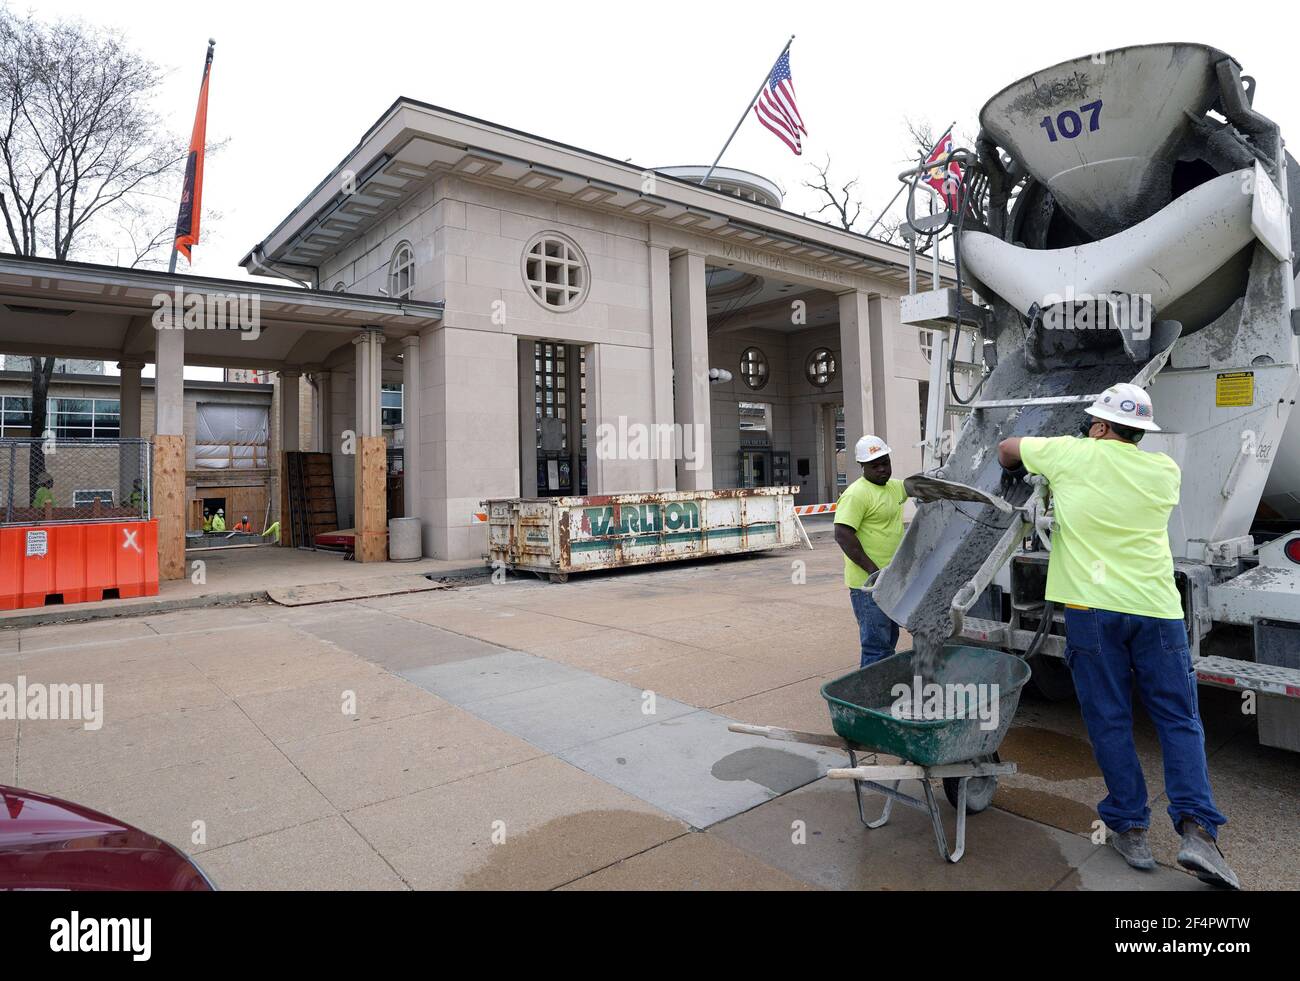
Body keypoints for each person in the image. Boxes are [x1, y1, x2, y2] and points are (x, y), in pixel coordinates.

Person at [997, 382, 1238, 889]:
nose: (1089, 429)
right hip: (1157, 611)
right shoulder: (1164, 470)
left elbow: (1007, 449)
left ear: (1102, 427)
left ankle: (1129, 828)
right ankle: (1198, 832)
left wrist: (1028, 464)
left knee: (1110, 720)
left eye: (1093, 423)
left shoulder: (1071, 454)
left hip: (1095, 611)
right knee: (1179, 720)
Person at [833, 435, 907, 667]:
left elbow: (913, 486)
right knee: (876, 646)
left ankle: (883, 687)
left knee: (889, 639)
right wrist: (873, 571)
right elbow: (842, 535)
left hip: (891, 580)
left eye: (885, 462)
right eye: (875, 465)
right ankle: (873, 696)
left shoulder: (893, 488)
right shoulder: (857, 494)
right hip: (868, 586)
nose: (883, 469)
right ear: (862, 466)